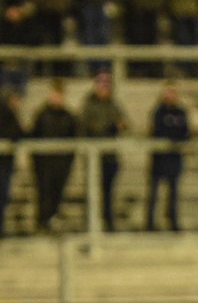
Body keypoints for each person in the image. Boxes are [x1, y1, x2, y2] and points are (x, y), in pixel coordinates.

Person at [79, 69, 128, 231]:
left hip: (110, 156)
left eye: (107, 83)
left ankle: (109, 223)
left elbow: (125, 123)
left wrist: (121, 125)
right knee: (93, 193)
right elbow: (88, 127)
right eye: (101, 83)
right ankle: (91, 225)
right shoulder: (89, 104)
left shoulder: (114, 104)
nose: (104, 87)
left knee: (109, 193)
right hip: (95, 157)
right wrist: (110, 126)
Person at [30, 80, 76, 231]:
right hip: (44, 163)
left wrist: (68, 161)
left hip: (61, 164)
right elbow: (33, 136)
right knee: (44, 194)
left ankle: (52, 220)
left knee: (57, 194)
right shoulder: (42, 115)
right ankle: (42, 223)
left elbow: (74, 138)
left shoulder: (68, 117)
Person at [146, 81, 189, 232]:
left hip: (174, 159)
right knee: (154, 192)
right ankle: (150, 222)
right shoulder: (158, 112)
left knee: (173, 193)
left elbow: (185, 132)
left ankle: (173, 221)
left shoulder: (181, 112)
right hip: (160, 159)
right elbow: (159, 131)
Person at [0, 87, 23, 237]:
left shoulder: (9, 114)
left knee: (3, 197)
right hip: (3, 164)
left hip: (5, 164)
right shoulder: (6, 113)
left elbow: (18, 134)